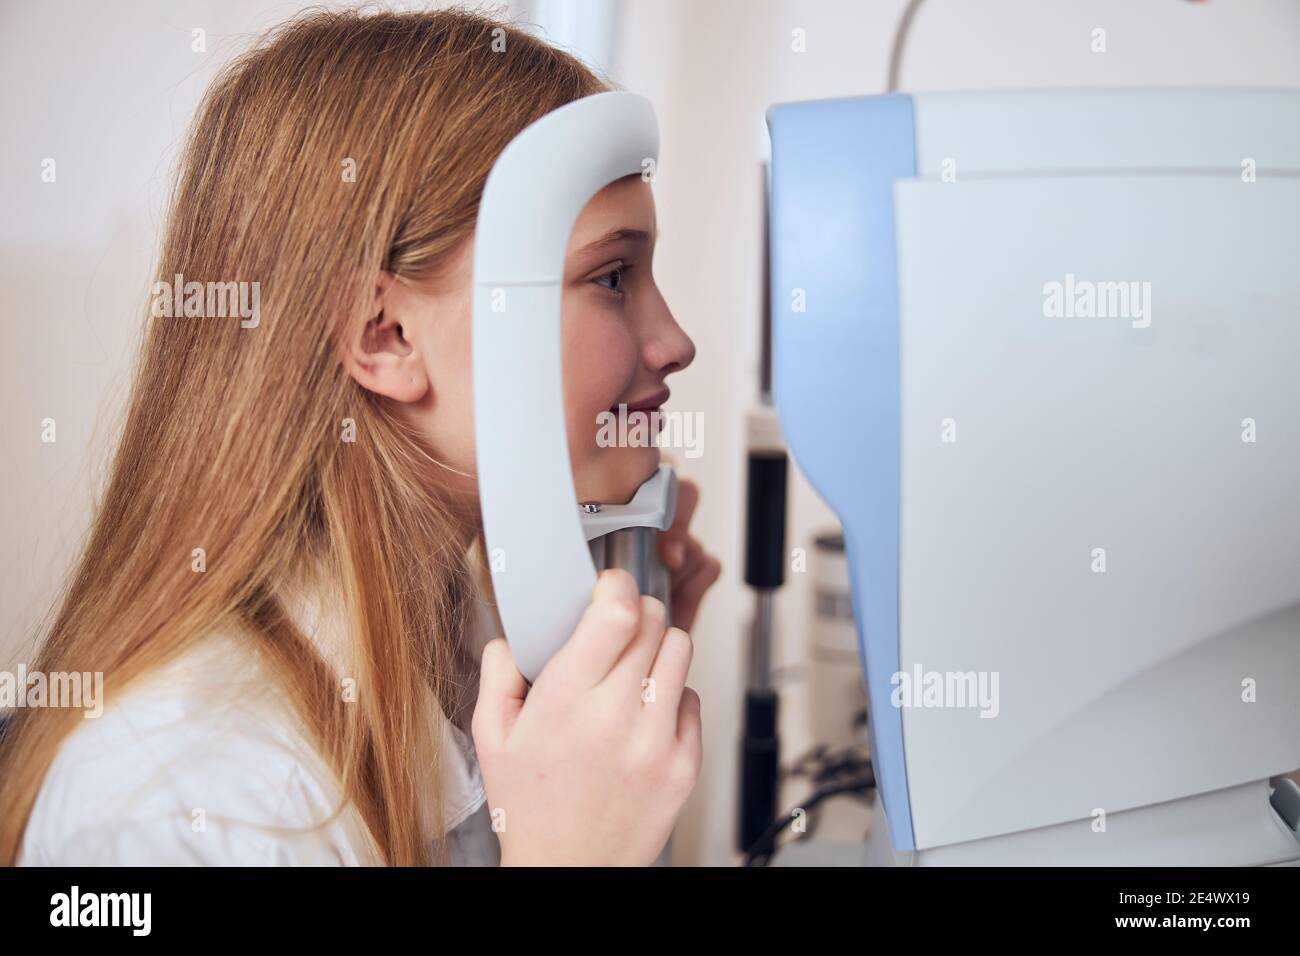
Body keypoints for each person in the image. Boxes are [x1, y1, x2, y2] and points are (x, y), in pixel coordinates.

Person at [0, 7, 720, 867]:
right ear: (385, 335)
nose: (675, 341)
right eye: (611, 277)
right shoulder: (178, 801)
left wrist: (616, 701)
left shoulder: (469, 650)